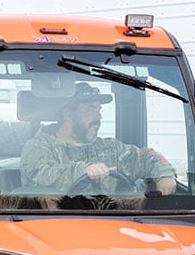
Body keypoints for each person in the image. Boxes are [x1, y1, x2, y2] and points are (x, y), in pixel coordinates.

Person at [20, 83, 177, 195]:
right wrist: (84, 170)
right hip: (51, 227)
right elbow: (44, 174)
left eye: (99, 109)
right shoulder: (37, 147)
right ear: (69, 115)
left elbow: (145, 157)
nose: (99, 116)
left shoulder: (111, 149)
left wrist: (164, 174)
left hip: (109, 226)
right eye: (91, 109)